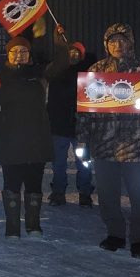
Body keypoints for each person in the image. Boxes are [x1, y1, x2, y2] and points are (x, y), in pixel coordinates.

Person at [76, 23, 140, 259]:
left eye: (122, 40)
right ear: (106, 44)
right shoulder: (96, 70)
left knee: (139, 195)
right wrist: (82, 141)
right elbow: (86, 112)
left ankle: (139, 239)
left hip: (136, 145)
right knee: (107, 194)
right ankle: (115, 233)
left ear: (131, 42)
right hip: (104, 145)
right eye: (112, 41)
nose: (118, 45)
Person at [0, 34, 58, 237]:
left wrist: (61, 43)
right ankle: (12, 226)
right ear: (8, 55)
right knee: (11, 183)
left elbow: (61, 65)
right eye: (15, 52)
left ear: (29, 55)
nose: (19, 55)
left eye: (23, 51)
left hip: (36, 137)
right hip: (10, 138)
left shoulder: (40, 74)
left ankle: (33, 223)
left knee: (34, 182)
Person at [46, 32, 95, 207]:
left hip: (81, 126)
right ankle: (58, 191)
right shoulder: (56, 70)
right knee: (58, 162)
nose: (73, 55)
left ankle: (85, 192)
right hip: (59, 125)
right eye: (70, 52)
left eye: (77, 52)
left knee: (84, 161)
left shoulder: (90, 72)